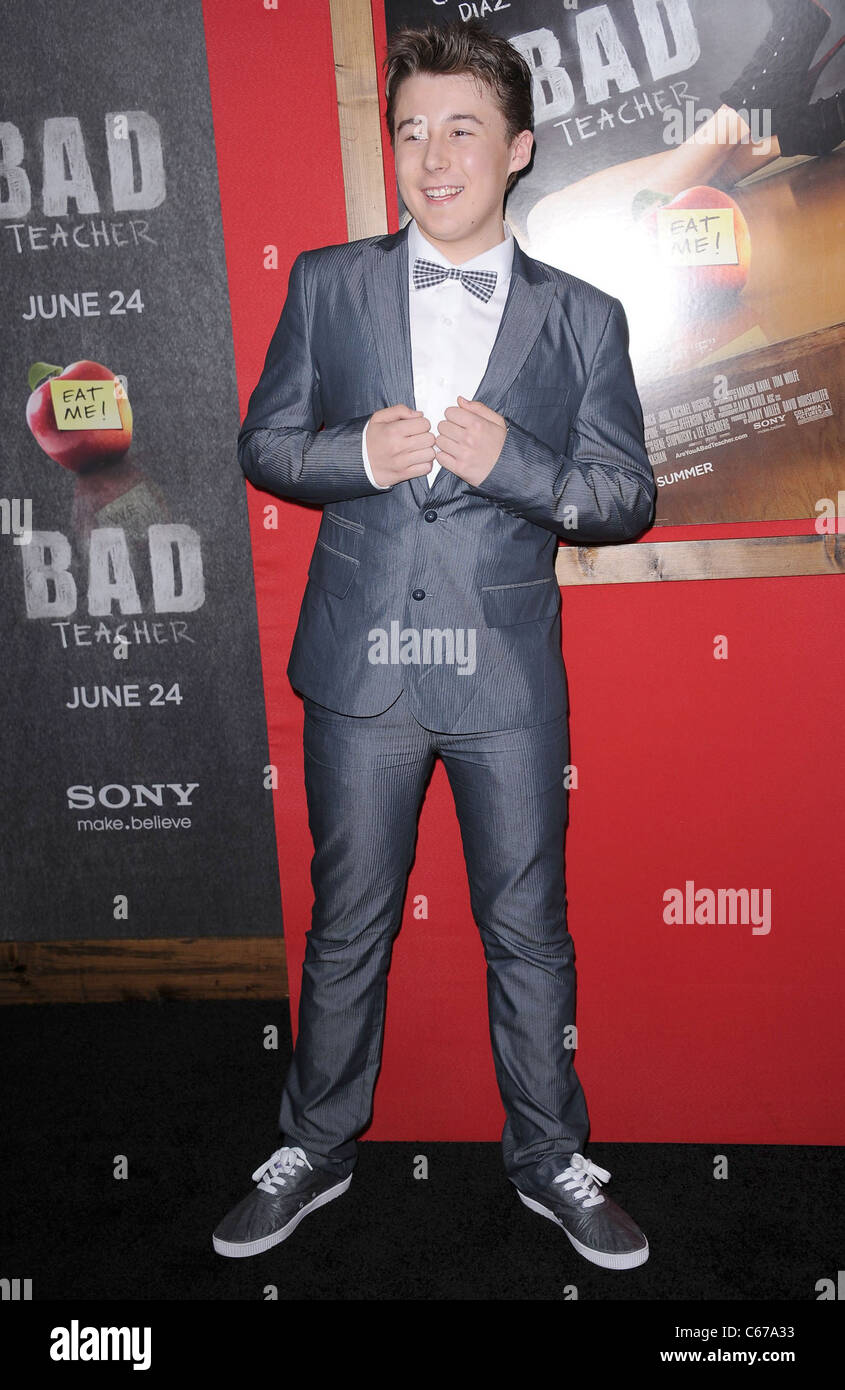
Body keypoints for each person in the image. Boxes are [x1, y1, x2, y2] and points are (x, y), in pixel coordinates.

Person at [213, 18, 656, 1272]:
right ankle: (313, 1145)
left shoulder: (583, 317)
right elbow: (263, 442)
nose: (432, 155)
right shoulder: (325, 281)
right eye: (410, 129)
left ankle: (546, 1157)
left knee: (527, 929)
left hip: (506, 682)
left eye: (461, 128)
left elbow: (624, 497)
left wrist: (517, 469)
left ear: (516, 148)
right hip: (358, 671)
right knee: (346, 921)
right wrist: (352, 455)